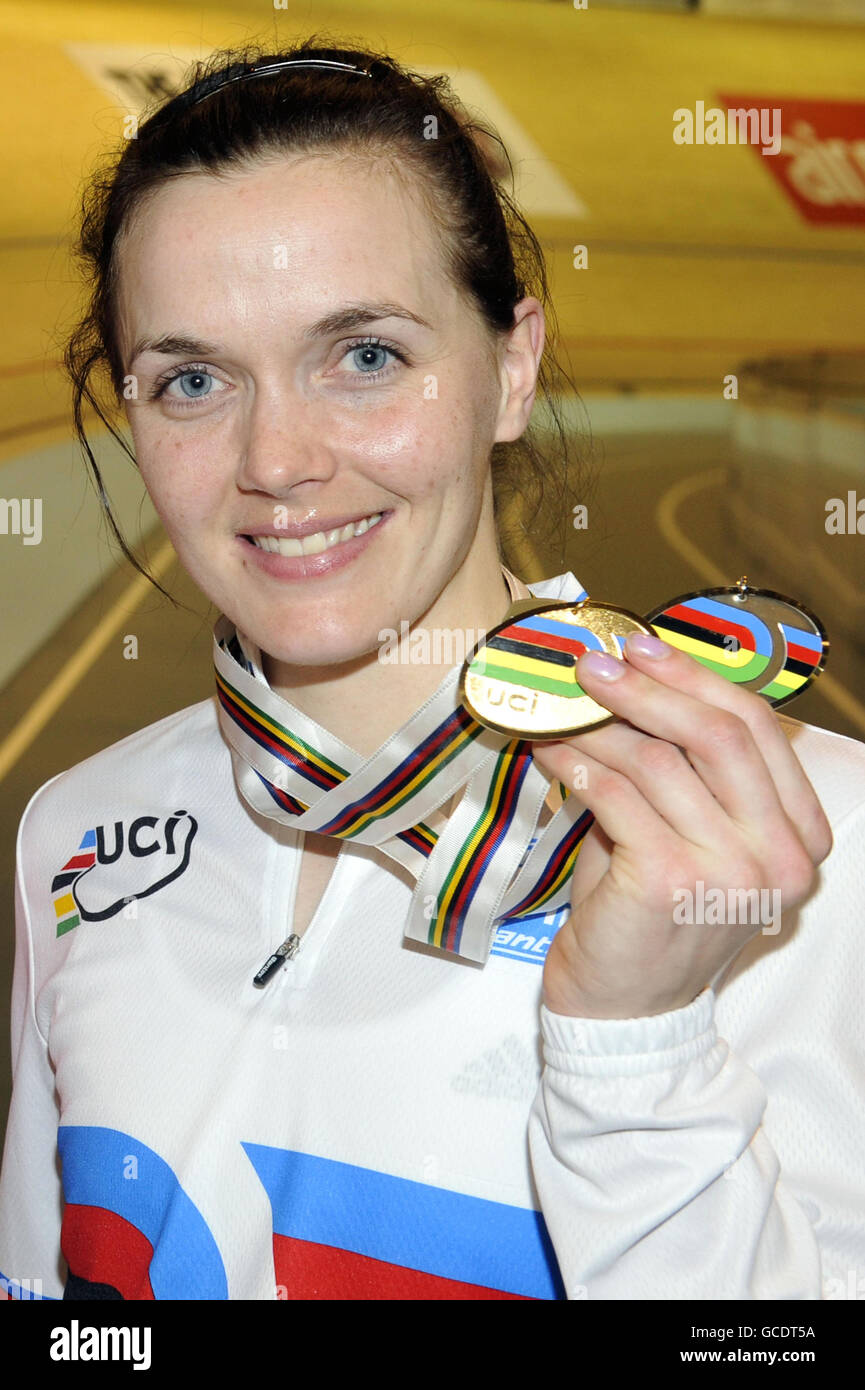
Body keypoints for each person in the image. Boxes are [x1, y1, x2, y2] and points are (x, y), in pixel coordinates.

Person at [1, 37, 863, 1303]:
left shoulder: (812, 852)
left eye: (364, 356)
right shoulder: (74, 833)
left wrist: (638, 1057)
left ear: (510, 368)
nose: (277, 459)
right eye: (192, 379)